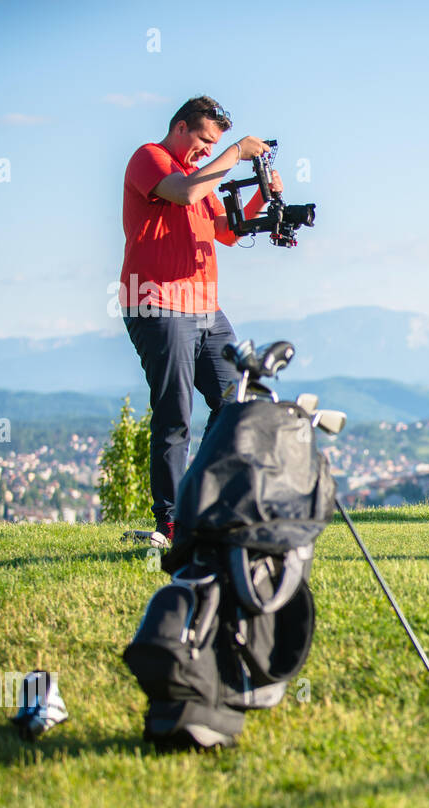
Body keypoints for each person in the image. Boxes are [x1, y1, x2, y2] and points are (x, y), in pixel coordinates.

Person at [118, 96, 281, 547]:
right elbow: (186, 191)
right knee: (175, 416)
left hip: (205, 306)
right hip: (157, 302)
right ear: (181, 127)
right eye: (205, 141)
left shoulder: (200, 177)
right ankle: (170, 523)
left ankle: (197, 504)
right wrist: (237, 155)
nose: (209, 151)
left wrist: (259, 199)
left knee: (237, 401)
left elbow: (226, 233)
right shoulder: (150, 158)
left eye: (217, 145)